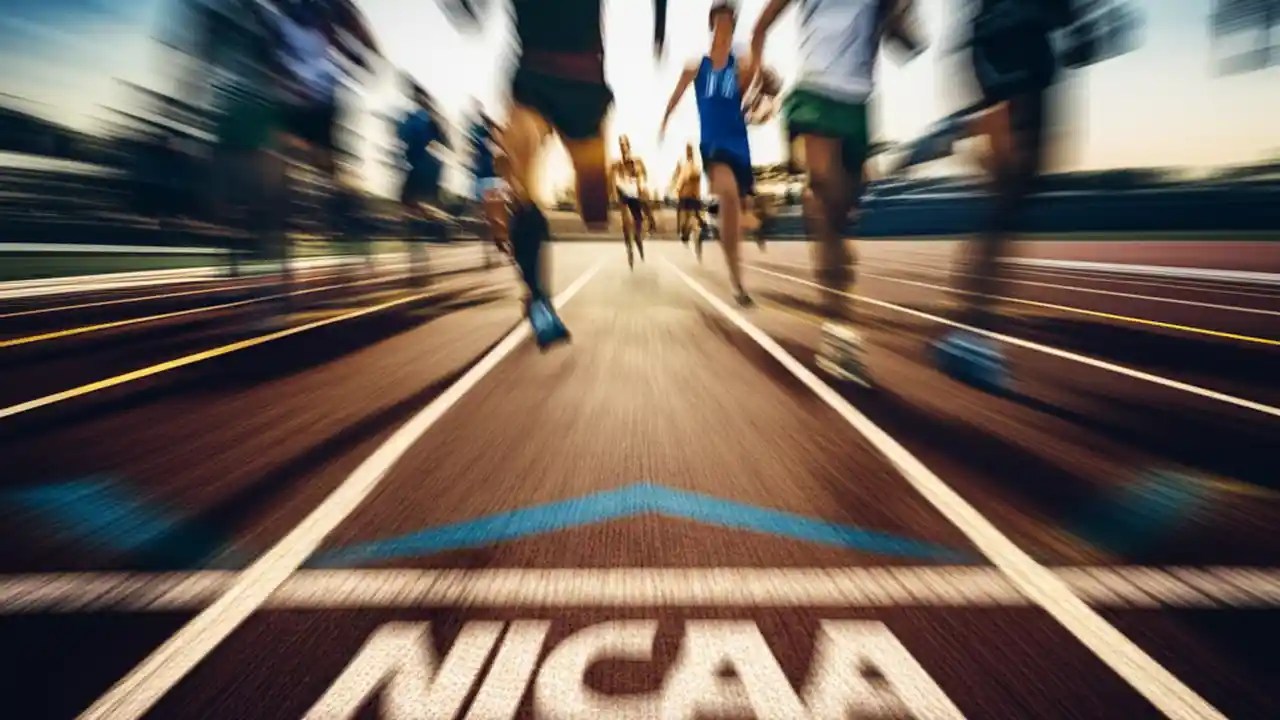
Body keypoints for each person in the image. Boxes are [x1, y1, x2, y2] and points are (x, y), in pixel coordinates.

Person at [441, 0, 669, 348]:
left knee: (594, 211)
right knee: (521, 178)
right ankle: (538, 300)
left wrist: (660, 28)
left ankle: (542, 270)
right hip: (532, 76)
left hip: (585, 86)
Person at [751, 0, 925, 385]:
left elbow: (908, 44)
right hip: (813, 94)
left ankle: (816, 200)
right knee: (826, 195)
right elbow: (761, 25)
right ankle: (839, 331)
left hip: (857, 105)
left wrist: (898, 16)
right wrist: (761, 78)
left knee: (841, 214)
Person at [931, 0, 1074, 392]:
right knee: (1008, 195)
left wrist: (1073, 20)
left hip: (1017, 37)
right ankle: (970, 335)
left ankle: (970, 334)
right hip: (1010, 37)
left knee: (1012, 196)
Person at [660, 0, 757, 306]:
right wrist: (664, 122)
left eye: (730, 22)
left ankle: (712, 229)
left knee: (740, 211)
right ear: (712, 24)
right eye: (720, 21)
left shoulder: (740, 64)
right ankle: (738, 283)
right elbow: (675, 96)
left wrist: (763, 105)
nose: (725, 27)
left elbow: (752, 99)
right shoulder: (695, 66)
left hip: (739, 142)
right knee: (728, 196)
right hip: (713, 143)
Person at [397, 80, 449, 283]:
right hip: (426, 169)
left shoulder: (414, 118)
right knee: (413, 213)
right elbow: (445, 142)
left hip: (419, 170)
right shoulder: (426, 118)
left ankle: (436, 219)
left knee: (410, 213)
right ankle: (435, 218)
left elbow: (402, 139)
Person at [467, 108, 510, 260]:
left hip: (489, 180)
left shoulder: (490, 141)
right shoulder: (486, 140)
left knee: (492, 217)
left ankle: (503, 241)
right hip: (486, 179)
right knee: (489, 217)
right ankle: (499, 244)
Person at [608, 135, 650, 268]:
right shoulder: (616, 164)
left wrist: (641, 185)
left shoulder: (637, 161)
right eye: (620, 145)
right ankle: (629, 250)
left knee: (638, 227)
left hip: (635, 194)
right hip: (623, 194)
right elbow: (611, 179)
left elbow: (644, 175)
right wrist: (613, 193)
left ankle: (639, 244)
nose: (622, 147)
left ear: (628, 146)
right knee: (626, 222)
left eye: (624, 144)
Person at [670, 143, 707, 253]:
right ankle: (685, 235)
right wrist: (675, 190)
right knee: (685, 222)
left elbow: (696, 181)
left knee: (693, 219)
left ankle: (697, 232)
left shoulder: (695, 166)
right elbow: (678, 179)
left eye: (690, 150)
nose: (689, 152)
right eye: (688, 150)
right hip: (684, 197)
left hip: (693, 198)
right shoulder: (683, 165)